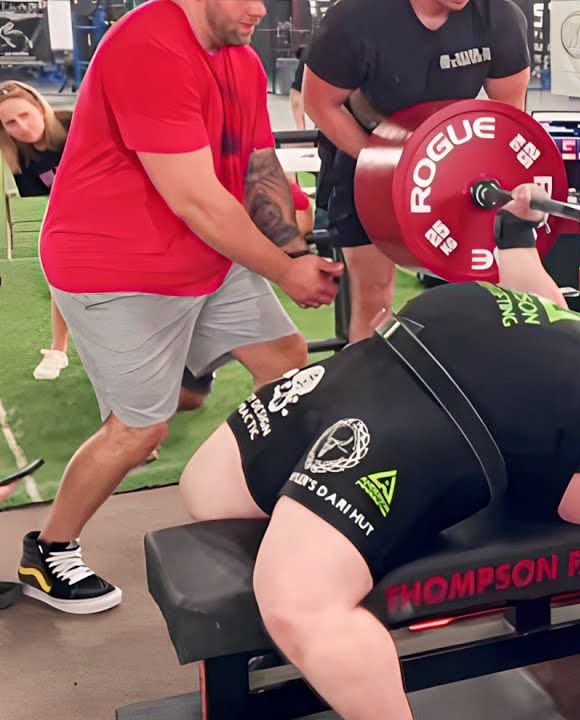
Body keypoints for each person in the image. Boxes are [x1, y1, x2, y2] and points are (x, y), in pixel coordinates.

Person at [177, 183, 580, 719]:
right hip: (375, 360)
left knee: (297, 600)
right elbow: (544, 305)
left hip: (435, 416)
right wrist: (517, 229)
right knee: (206, 487)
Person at [19, 0, 344, 615]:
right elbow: (195, 199)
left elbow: (258, 169)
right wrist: (284, 270)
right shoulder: (151, 45)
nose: (261, 12)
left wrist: (297, 253)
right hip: (113, 266)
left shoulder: (241, 61)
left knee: (285, 358)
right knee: (141, 430)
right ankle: (49, 549)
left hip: (204, 257)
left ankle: (260, 495)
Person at [302, 0, 531, 343]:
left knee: (477, 288)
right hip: (366, 157)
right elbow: (319, 102)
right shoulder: (354, 18)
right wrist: (386, 166)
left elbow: (507, 112)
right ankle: (372, 391)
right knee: (375, 295)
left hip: (453, 163)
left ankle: (467, 386)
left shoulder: (497, 16)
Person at [0, 81, 73, 381]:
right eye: (10, 123)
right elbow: (52, 200)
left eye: (25, 115)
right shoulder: (19, 156)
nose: (21, 127)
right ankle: (58, 349)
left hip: (119, 205)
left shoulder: (75, 124)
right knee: (59, 267)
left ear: (39, 107)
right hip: (72, 214)